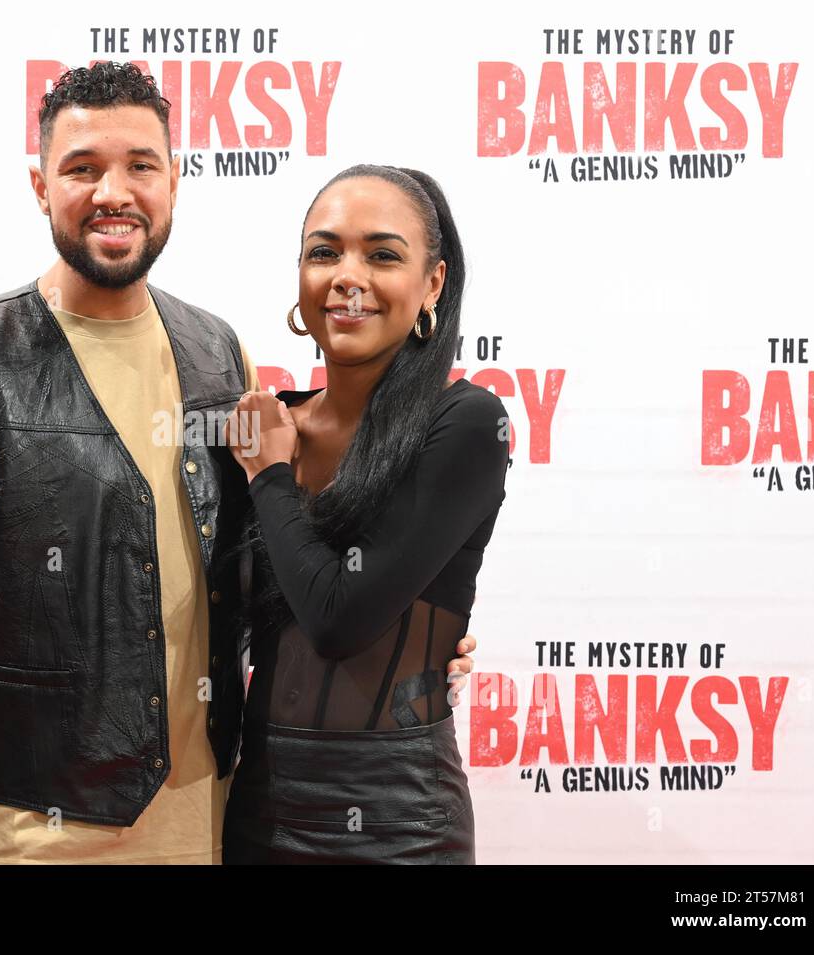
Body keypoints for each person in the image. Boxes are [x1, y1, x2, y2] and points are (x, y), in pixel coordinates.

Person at [0, 62, 480, 865]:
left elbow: (268, 576)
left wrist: (408, 634)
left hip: (209, 828)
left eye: (140, 166)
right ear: (39, 185)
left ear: (175, 182)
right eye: (82, 167)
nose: (112, 192)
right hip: (22, 841)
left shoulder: (220, 356)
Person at [220, 164, 511, 864]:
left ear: (433, 282)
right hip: (258, 805)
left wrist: (267, 475)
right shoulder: (266, 422)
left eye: (382, 254)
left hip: (400, 821)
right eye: (324, 252)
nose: (348, 275)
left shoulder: (465, 422)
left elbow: (341, 619)